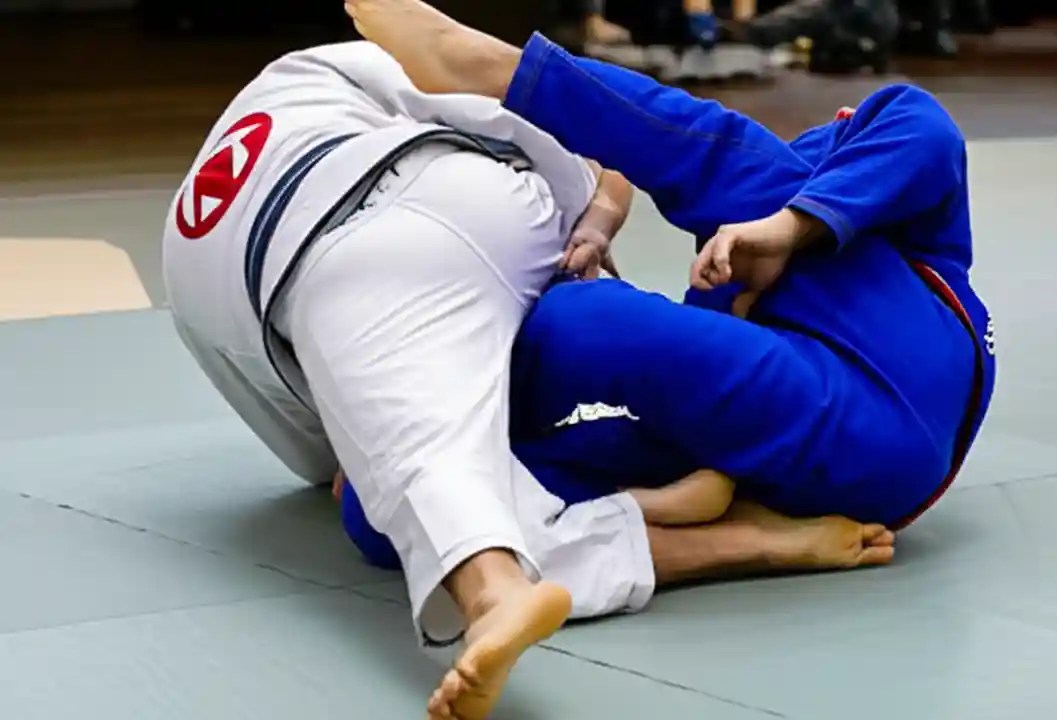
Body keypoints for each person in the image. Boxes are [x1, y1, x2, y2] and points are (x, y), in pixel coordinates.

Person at [161, 39, 894, 720]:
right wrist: (598, 217)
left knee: (400, 489)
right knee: (452, 438)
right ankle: (683, 512)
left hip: (346, 272)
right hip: (495, 201)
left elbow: (324, 463)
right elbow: (557, 119)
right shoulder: (304, 74)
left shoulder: (187, 263)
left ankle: (503, 589)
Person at [343, 0, 996, 534]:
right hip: (820, 417)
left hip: (882, 408)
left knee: (583, 312)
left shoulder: (855, 189)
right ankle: (441, 438)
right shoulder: (775, 198)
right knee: (373, 515)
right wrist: (604, 219)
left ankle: (496, 71)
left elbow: (924, 124)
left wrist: (787, 230)